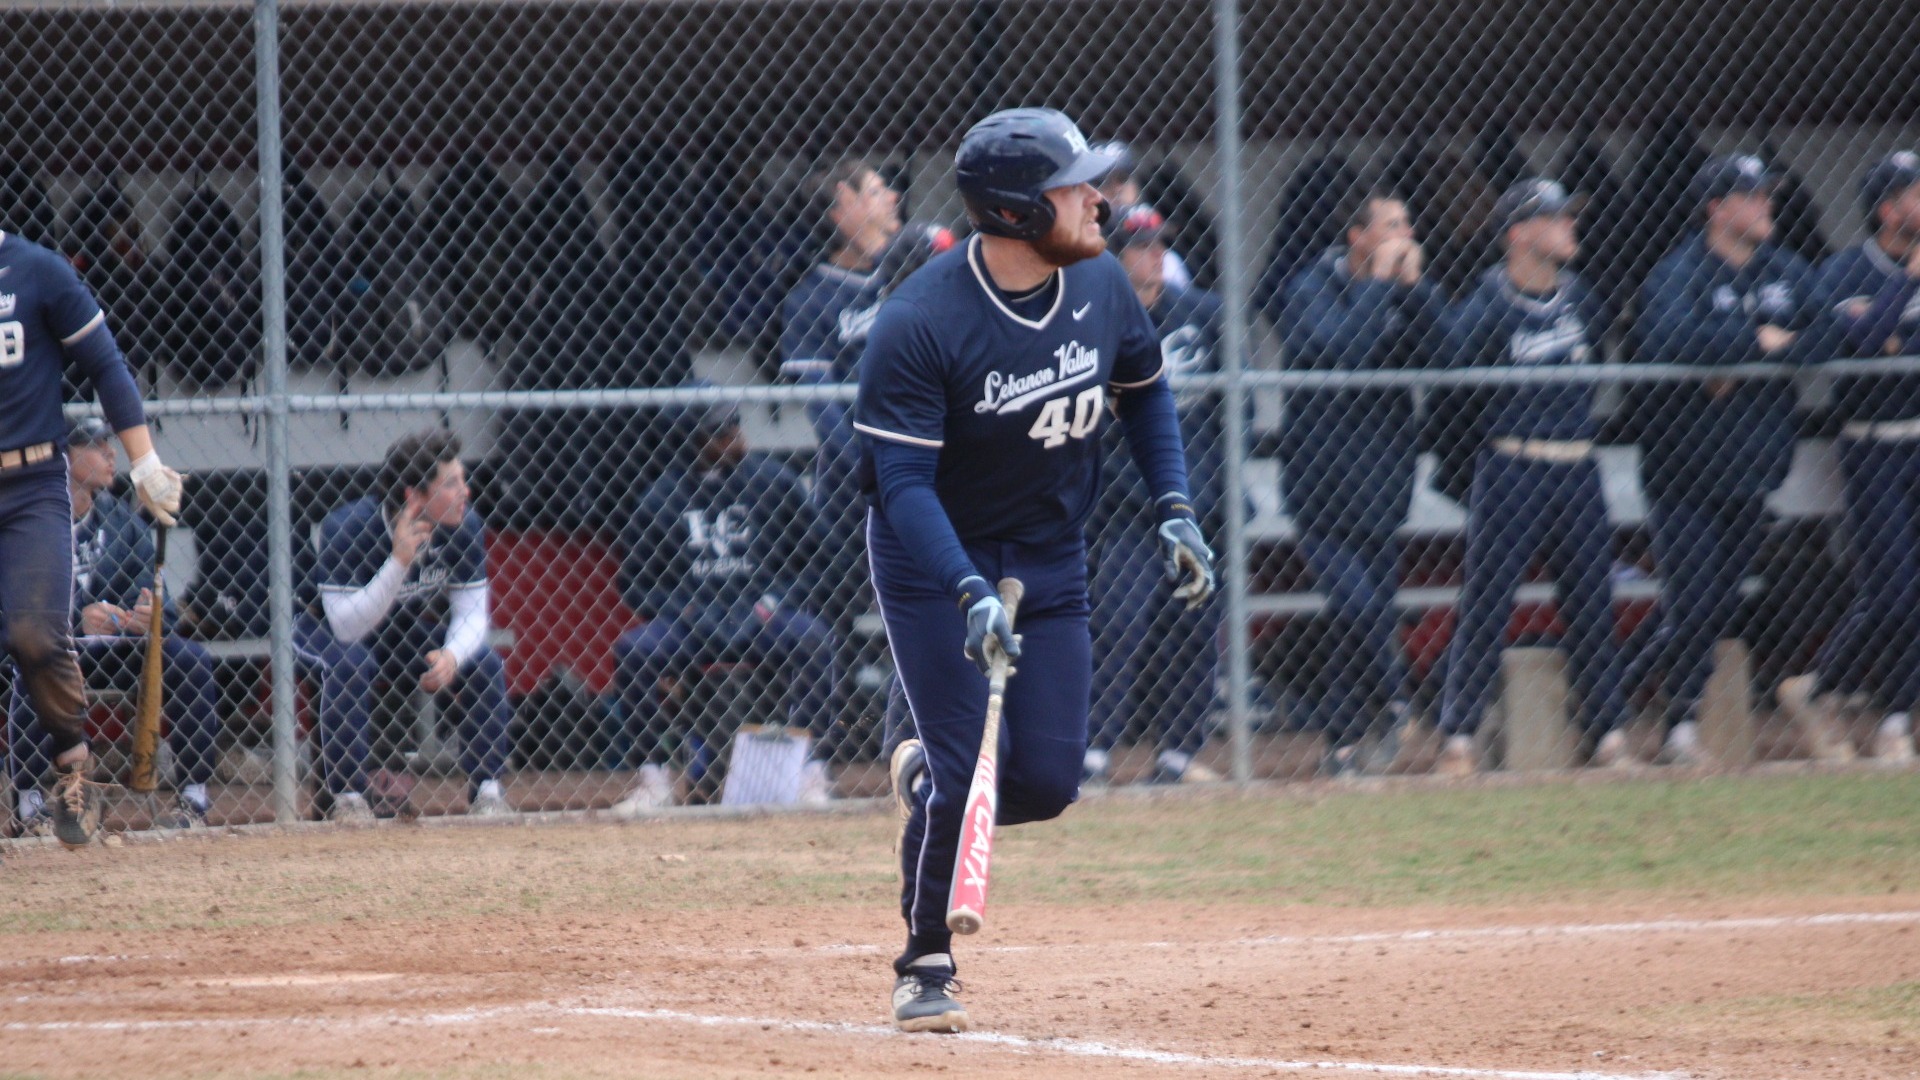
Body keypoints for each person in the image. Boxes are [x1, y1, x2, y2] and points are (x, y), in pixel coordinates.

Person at [857, 108, 1214, 1033]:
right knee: (961, 766)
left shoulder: (1098, 284)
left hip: (1053, 555)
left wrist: (1175, 503)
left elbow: (1146, 394)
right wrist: (968, 591)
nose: (1102, 200)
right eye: (1076, 186)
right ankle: (924, 960)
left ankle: (929, 787)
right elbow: (899, 484)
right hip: (938, 561)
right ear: (1018, 211)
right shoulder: (921, 321)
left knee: (1047, 783)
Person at [1628, 155, 1831, 766]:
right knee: (1692, 604)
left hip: (1753, 471)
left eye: (1766, 195)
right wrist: (1758, 343)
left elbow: (1825, 337)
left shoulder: (1785, 269)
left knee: (1712, 607)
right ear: (1716, 208)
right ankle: (1679, 724)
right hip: (1683, 474)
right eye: (1751, 197)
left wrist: (1740, 361)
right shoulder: (1680, 271)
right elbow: (1669, 340)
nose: (1766, 205)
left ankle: (1609, 695)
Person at [1434, 179, 1630, 776]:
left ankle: (1609, 734)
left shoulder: (1581, 299)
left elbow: (1596, 359)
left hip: (1575, 465)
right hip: (1513, 463)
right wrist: (1474, 466)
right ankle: (1458, 738)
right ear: (1519, 234)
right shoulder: (1487, 306)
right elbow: (1454, 395)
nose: (1570, 227)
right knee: (1488, 603)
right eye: (1555, 218)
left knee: (1594, 602)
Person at [0, 225, 183, 849]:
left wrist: (147, 464)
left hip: (30, 486)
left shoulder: (37, 270)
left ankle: (73, 766)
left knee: (35, 633)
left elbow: (105, 363)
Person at [1276, 188, 1446, 775]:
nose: (1405, 234)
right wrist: (1377, 284)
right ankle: (1397, 696)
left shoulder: (1403, 290)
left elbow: (1450, 355)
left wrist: (1416, 293)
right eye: (1392, 225)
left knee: (1360, 619)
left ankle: (1343, 747)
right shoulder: (1308, 289)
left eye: (1408, 223)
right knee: (1357, 605)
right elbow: (1339, 356)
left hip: (1383, 482)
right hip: (1320, 488)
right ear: (1358, 236)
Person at [609, 395, 838, 813]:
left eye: (735, 422)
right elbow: (635, 584)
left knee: (813, 640)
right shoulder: (661, 497)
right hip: (693, 626)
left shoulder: (774, 481)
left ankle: (811, 772)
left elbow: (818, 560)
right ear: (691, 439)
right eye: (719, 430)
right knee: (634, 651)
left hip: (761, 617)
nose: (734, 434)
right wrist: (685, 611)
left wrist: (773, 601)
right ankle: (653, 778)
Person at [8, 419, 220, 835]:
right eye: (96, 446)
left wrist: (145, 618)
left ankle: (193, 797)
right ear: (64, 458)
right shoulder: (28, 519)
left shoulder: (120, 521)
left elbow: (163, 608)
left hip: (117, 650)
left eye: (110, 444)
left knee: (190, 659)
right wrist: (74, 621)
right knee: (31, 665)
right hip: (52, 652)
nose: (110, 455)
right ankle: (29, 805)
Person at [1779, 151, 1920, 763]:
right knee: (1891, 594)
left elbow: (1893, 341)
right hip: (1871, 447)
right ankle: (1816, 687)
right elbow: (1863, 344)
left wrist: (1895, 335)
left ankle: (1894, 722)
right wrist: (1908, 282)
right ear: (1889, 210)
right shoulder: (1842, 273)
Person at [297, 430, 514, 822]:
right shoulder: (349, 528)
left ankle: (488, 791)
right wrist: (398, 561)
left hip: (397, 626)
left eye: (462, 479)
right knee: (350, 664)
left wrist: (451, 655)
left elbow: (472, 612)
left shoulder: (464, 526)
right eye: (451, 484)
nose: (465, 491)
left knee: (483, 661)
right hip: (323, 626)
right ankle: (347, 800)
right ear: (414, 496)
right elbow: (346, 627)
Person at [1083, 204, 1224, 786]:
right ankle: (1090, 750)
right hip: (1128, 509)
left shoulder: (1202, 314)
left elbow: (1229, 407)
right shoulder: (1097, 323)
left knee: (1196, 624)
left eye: (1159, 245)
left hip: (1200, 502)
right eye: (1139, 246)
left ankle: (1179, 755)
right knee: (1118, 621)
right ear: (1116, 257)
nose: (1153, 255)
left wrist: (1214, 486)